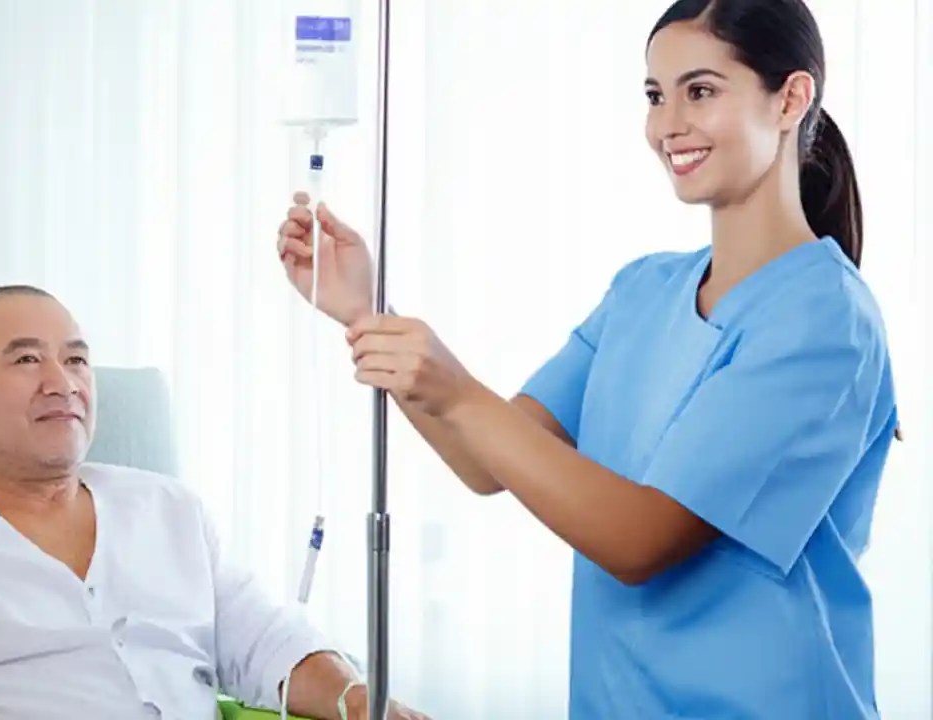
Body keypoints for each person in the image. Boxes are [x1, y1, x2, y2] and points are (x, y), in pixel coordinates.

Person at [276, 0, 899, 717]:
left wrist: (456, 389)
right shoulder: (644, 291)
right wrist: (363, 311)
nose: (668, 125)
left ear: (790, 99)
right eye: (655, 95)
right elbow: (487, 461)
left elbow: (637, 540)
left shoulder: (824, 319)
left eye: (700, 91)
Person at [0, 285, 427, 720]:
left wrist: (361, 701)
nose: (61, 382)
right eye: (25, 359)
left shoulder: (170, 511)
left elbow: (272, 644)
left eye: (75, 359)